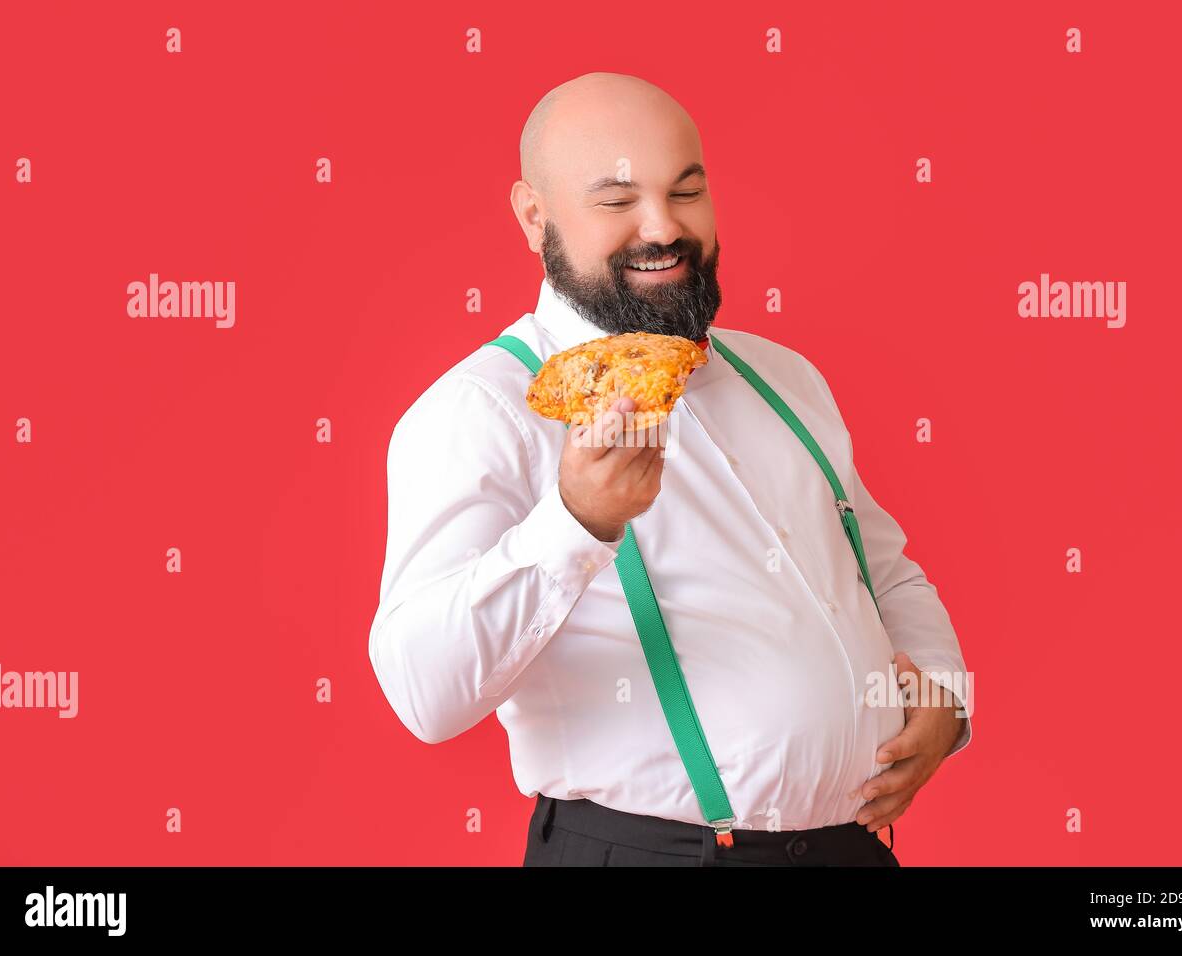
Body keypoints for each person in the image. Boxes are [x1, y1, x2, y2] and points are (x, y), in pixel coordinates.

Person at [368, 71, 972, 867]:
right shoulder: (486, 408)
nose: (663, 227)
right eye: (617, 203)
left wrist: (946, 694)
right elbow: (424, 692)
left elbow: (880, 571)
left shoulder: (786, 377)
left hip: (851, 851)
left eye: (686, 193)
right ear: (534, 216)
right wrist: (576, 521)